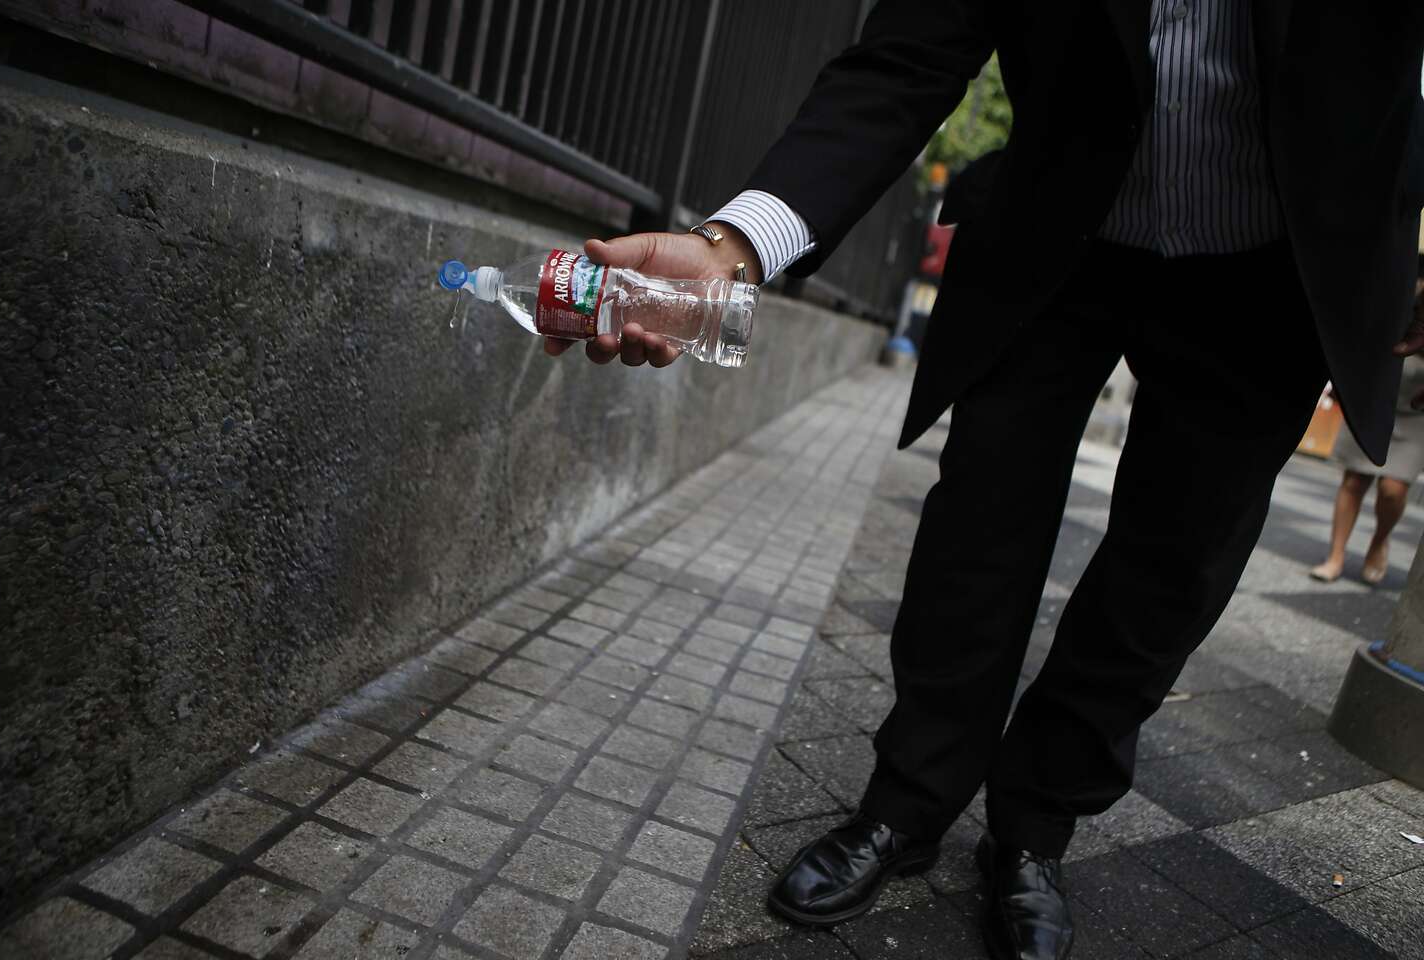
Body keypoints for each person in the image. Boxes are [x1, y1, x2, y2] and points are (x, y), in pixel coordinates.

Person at [542, 3, 1424, 958]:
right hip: (1060, 223)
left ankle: (1035, 828)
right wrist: (731, 250)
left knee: (1173, 569)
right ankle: (908, 803)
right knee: (977, 528)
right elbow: (905, 57)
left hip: (1276, 264)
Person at [1312, 328, 1424, 586]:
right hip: (1376, 396)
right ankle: (1335, 556)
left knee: (1392, 489)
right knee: (1354, 481)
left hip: (1417, 410)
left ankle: (1379, 540)